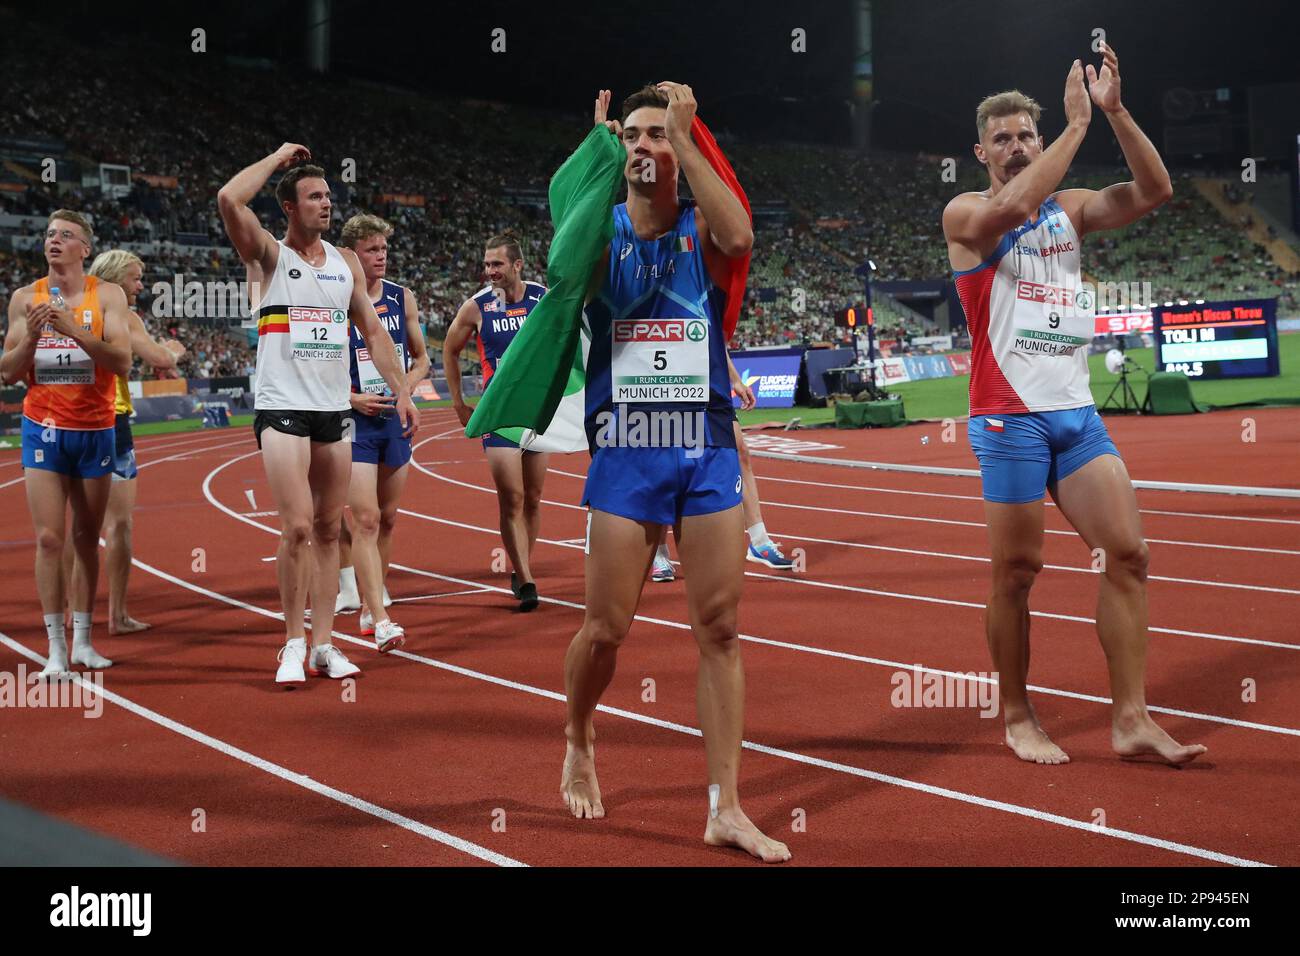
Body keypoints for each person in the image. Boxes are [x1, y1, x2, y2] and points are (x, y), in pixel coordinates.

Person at [941, 44, 1205, 765]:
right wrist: (1075, 128)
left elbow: (1154, 190)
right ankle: (1018, 714)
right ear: (980, 151)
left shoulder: (1070, 211)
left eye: (1027, 133)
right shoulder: (968, 212)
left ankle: (1131, 719)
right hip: (1008, 418)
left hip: (1075, 416)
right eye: (1004, 137)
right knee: (1017, 574)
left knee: (1129, 553)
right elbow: (1014, 204)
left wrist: (1115, 113)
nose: (1019, 146)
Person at [561, 84, 789, 862]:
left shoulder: (700, 226)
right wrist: (596, 162)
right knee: (606, 629)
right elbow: (565, 265)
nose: (641, 145)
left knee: (720, 628)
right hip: (628, 444)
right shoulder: (602, 234)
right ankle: (581, 736)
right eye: (630, 133)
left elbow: (741, 232)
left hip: (705, 441)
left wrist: (685, 143)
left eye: (655, 133)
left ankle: (725, 804)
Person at [217, 145, 418, 686]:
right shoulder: (266, 258)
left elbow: (374, 334)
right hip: (283, 408)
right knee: (298, 527)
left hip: (334, 412)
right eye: (314, 196)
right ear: (289, 206)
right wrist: (278, 157)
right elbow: (228, 197)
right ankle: (291, 643)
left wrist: (400, 389)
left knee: (332, 530)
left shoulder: (345, 264)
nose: (326, 204)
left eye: (329, 195)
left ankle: (326, 645)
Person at [1, 210, 131, 676]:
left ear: (85, 248)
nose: (54, 240)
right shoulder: (24, 299)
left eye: (66, 235)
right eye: (50, 233)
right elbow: (8, 371)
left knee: (85, 538)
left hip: (95, 428)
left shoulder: (109, 296)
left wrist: (76, 331)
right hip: (44, 428)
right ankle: (55, 649)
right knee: (49, 537)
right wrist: (34, 335)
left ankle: (84, 641)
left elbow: (122, 362)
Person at [66, 250, 186, 634]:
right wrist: (175, 350)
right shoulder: (122, 314)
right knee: (119, 525)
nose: (140, 286)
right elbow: (160, 359)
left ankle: (71, 612)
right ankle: (117, 616)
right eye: (136, 278)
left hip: (70, 421)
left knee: (79, 525)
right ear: (117, 279)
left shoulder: (73, 308)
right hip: (110, 422)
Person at [336, 213, 429, 652]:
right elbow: (313, 360)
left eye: (385, 250)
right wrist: (350, 397)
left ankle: (375, 595)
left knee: (388, 519)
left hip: (394, 417)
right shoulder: (335, 299)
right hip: (354, 420)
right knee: (366, 518)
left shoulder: (401, 298)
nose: (382, 257)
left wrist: (405, 390)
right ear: (353, 254)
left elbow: (421, 359)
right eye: (373, 250)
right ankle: (377, 614)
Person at [443, 231, 548, 612]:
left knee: (533, 499)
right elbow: (451, 351)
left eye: (497, 264)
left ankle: (521, 568)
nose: (490, 272)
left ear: (517, 265)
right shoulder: (477, 306)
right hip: (500, 412)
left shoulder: (542, 298)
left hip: (536, 411)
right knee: (513, 498)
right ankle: (527, 579)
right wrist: (458, 403)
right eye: (486, 265)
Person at [651, 353, 792, 581]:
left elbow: (715, 338)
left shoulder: (717, 317)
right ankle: (659, 553)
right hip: (667, 374)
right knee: (665, 457)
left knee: (740, 452)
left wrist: (735, 380)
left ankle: (759, 541)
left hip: (708, 380)